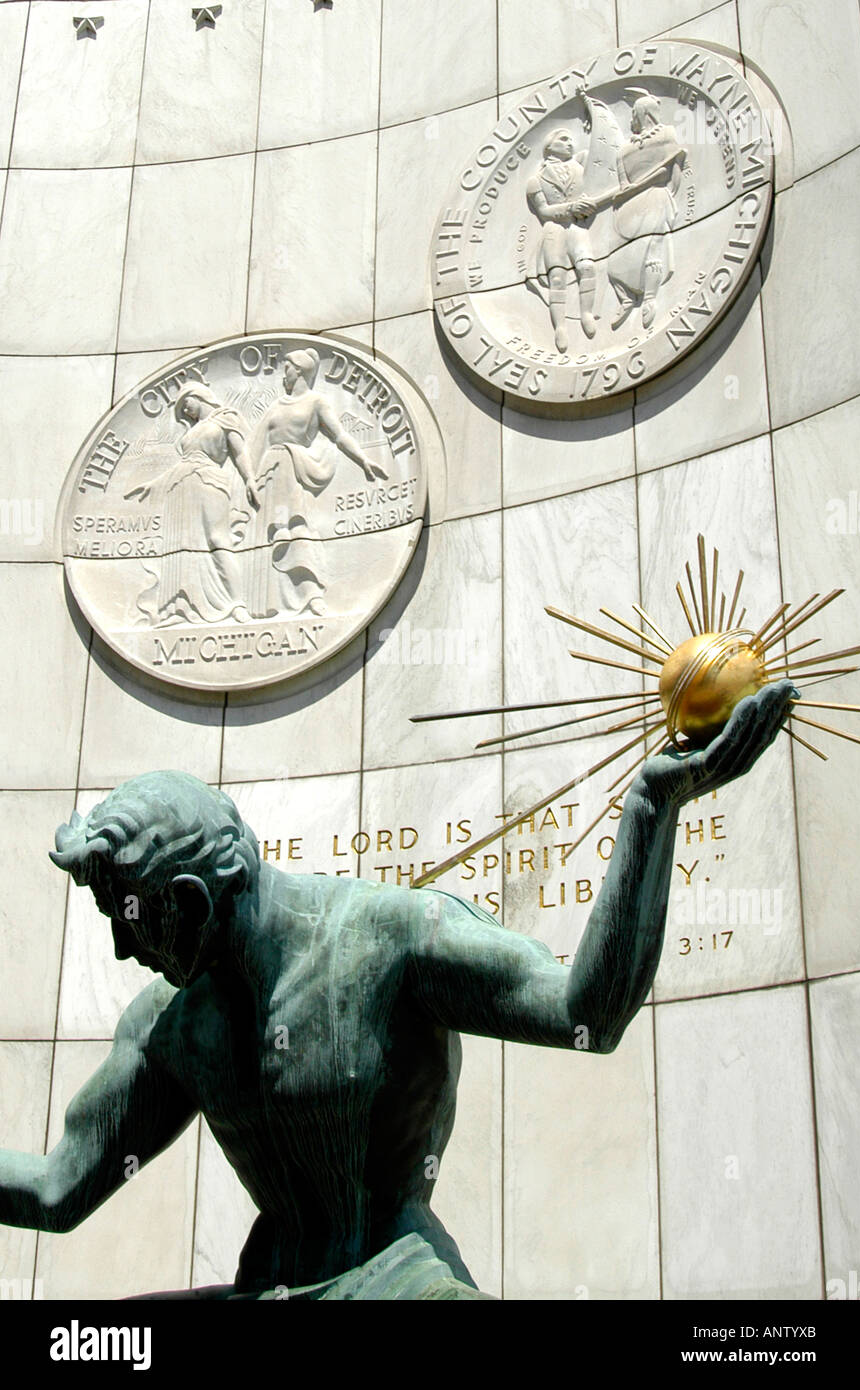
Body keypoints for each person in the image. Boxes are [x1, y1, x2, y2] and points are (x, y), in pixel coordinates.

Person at [0, 682, 795, 1299]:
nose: (118, 946)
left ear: (191, 902)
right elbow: (58, 1188)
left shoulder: (394, 938)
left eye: (127, 918)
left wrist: (654, 808)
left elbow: (587, 1014)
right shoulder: (170, 1028)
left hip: (402, 1285)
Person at [245, 349, 389, 618]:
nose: (283, 374)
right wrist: (249, 479)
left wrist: (363, 460)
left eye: (286, 368)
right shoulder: (275, 406)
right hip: (269, 473)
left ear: (298, 369)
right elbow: (254, 445)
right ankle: (273, 604)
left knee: (298, 528)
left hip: (294, 469)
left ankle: (311, 596)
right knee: (271, 533)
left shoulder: (316, 402)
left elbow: (340, 435)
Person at [127, 384, 260, 626]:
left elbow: (240, 453)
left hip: (209, 480)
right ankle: (180, 608)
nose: (185, 410)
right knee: (182, 543)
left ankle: (237, 604)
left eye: (185, 402)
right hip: (182, 487)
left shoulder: (226, 417)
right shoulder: (193, 429)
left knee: (219, 540)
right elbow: (184, 463)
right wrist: (154, 484)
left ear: (199, 395)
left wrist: (250, 479)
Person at [605, 90, 686, 330]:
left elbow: (675, 170)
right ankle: (626, 298)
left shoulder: (667, 134)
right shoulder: (624, 150)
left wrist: (667, 194)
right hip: (629, 207)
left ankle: (650, 298)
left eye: (635, 114)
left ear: (644, 113)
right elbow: (623, 184)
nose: (632, 119)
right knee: (614, 260)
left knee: (652, 248)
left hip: (656, 198)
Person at [526, 127, 598, 352]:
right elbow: (544, 211)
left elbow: (601, 154)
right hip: (554, 228)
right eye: (564, 139)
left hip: (577, 226)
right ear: (549, 146)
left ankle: (587, 313)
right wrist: (570, 207)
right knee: (557, 278)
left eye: (571, 139)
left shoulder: (580, 165)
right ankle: (560, 327)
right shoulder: (535, 181)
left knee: (587, 267)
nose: (570, 143)